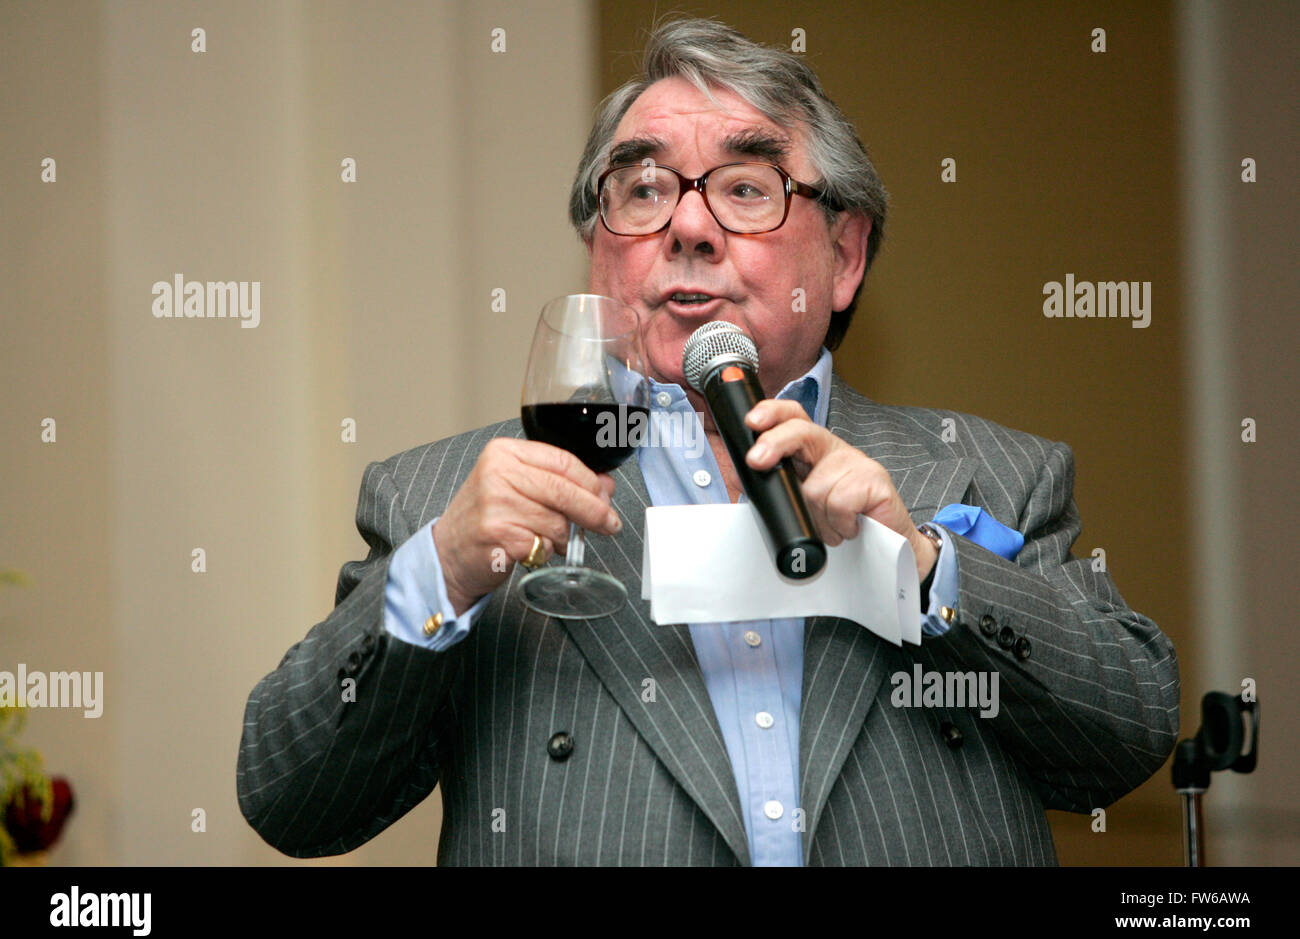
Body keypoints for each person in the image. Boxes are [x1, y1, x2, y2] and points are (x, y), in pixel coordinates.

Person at [237, 18, 1179, 866]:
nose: (687, 224)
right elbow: (294, 801)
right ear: (600, 246)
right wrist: (437, 574)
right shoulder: (439, 499)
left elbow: (1124, 740)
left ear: (843, 259)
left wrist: (925, 568)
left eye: (744, 188)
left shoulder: (992, 474)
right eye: (643, 189)